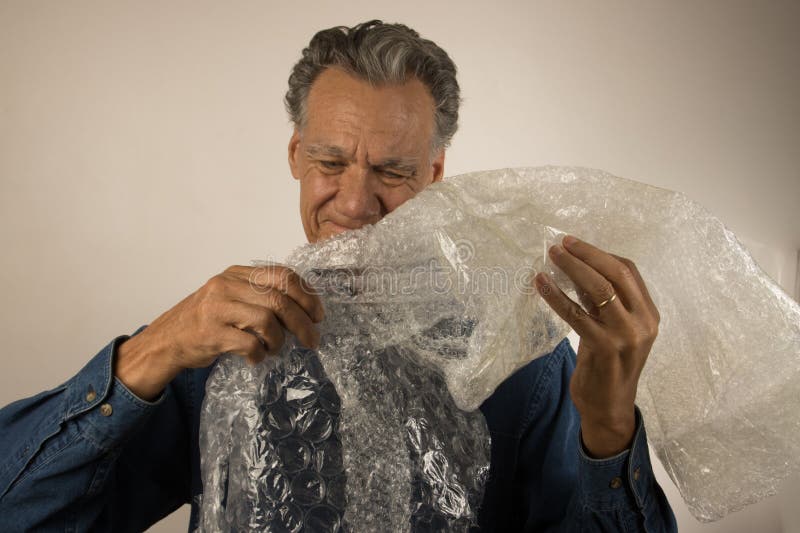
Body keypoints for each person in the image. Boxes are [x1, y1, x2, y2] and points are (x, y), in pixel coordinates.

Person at [0, 20, 677, 532]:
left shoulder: (514, 358)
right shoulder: (220, 342)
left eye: (392, 171)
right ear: (296, 154)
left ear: (435, 174)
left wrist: (610, 430)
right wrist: (153, 350)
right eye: (331, 161)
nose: (355, 203)